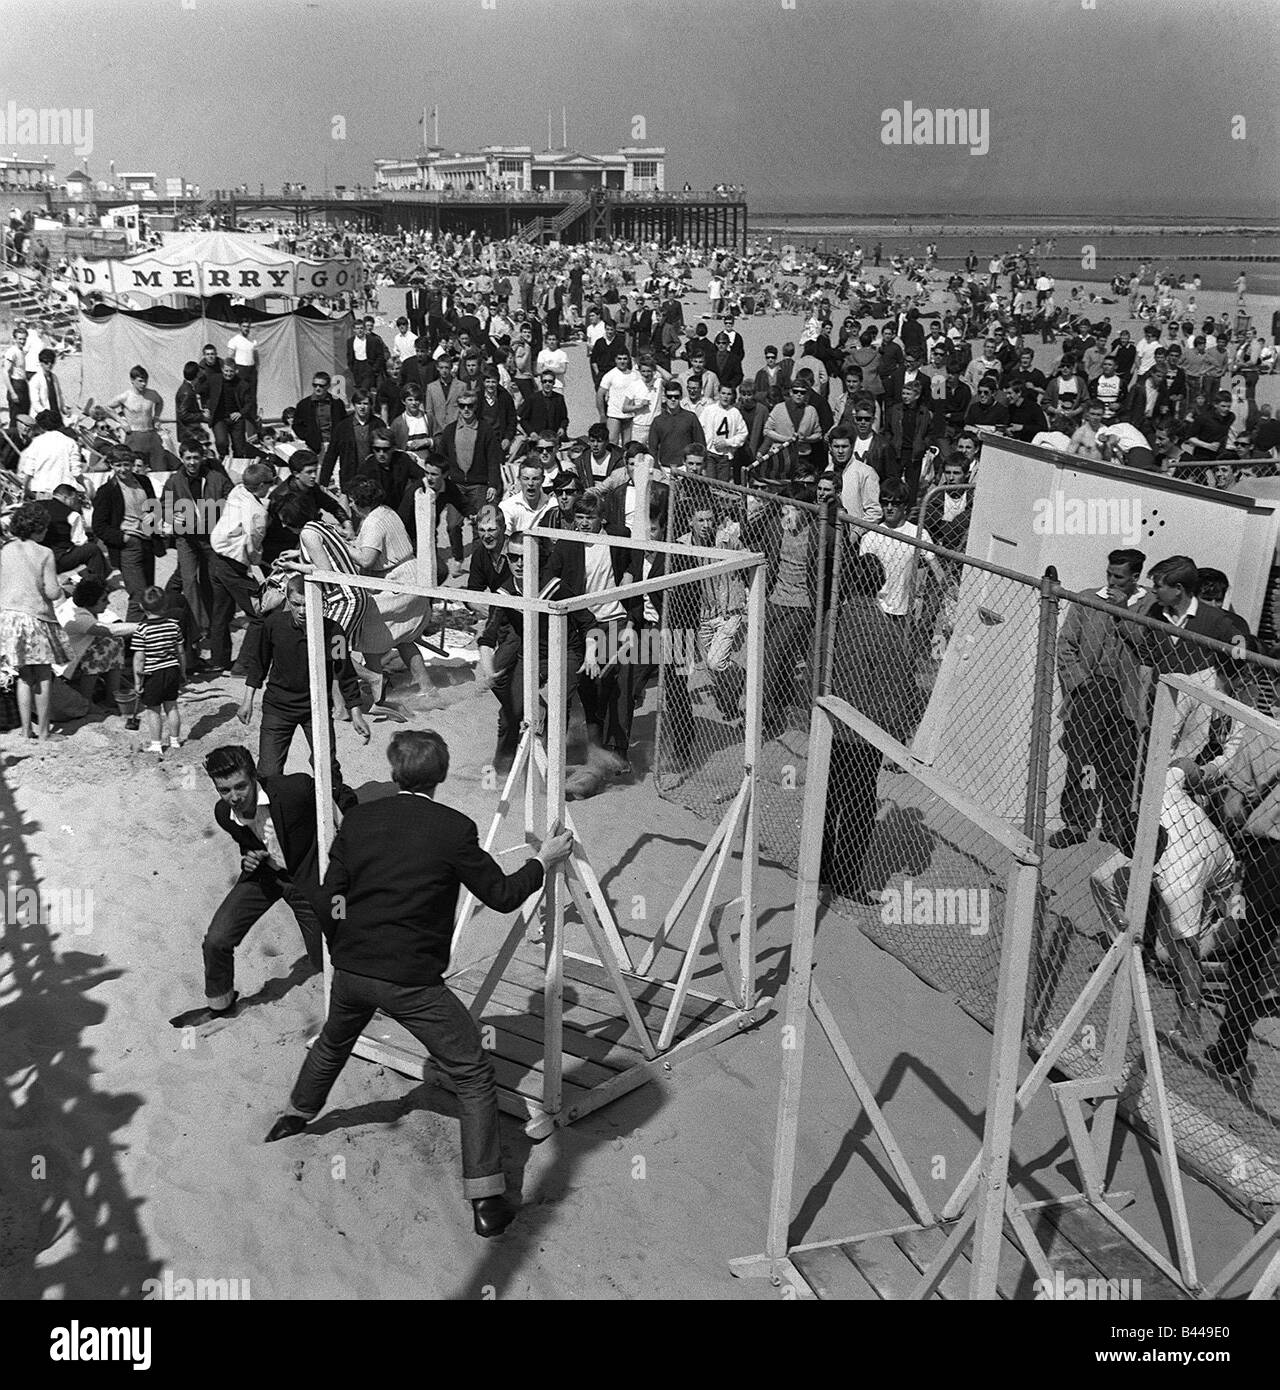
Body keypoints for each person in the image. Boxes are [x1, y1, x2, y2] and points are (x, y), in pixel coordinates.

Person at [262, 730, 574, 1238]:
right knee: (473, 1074)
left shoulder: (360, 818)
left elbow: (325, 897)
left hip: (353, 971)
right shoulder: (453, 828)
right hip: (411, 980)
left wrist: (346, 942)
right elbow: (499, 895)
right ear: (441, 775)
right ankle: (487, 1200)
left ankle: (295, 1116)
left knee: (335, 1041)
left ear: (393, 771)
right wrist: (543, 862)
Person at [176, 745, 329, 1025]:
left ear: (254, 777)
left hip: (304, 880)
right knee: (216, 940)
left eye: (240, 786)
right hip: (264, 877)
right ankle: (221, 1005)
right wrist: (249, 857)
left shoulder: (295, 789)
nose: (233, 797)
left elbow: (338, 796)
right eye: (224, 790)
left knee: (323, 958)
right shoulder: (224, 814)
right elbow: (250, 842)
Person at [820, 553, 915, 901]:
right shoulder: (885, 631)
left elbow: (815, 667)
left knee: (827, 800)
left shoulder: (833, 621)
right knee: (859, 808)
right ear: (879, 586)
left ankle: (819, 870)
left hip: (829, 726)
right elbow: (896, 689)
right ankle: (847, 880)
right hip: (863, 734)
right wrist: (895, 738)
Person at [238, 575, 370, 807]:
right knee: (268, 771)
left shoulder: (334, 632)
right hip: (278, 708)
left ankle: (338, 809)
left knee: (326, 765)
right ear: (288, 601)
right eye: (296, 604)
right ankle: (268, 816)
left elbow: (345, 672)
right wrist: (247, 700)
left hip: (316, 709)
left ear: (320, 603)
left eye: (308, 604)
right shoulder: (273, 625)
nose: (302, 610)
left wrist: (356, 712)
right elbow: (258, 664)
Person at [1050, 549, 1151, 849]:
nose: (1111, 581)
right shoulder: (1087, 599)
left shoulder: (1149, 607)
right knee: (1083, 761)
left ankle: (1115, 826)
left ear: (1135, 577)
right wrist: (1079, 682)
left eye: (1118, 577)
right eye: (1109, 574)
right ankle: (1077, 822)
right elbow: (1066, 643)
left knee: (1120, 763)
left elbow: (1147, 646)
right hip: (1090, 690)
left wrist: (1124, 615)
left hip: (1127, 697)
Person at [345, 477, 436, 703]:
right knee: (403, 635)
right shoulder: (386, 512)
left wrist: (343, 545)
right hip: (411, 577)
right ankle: (426, 685)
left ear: (357, 502)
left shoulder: (374, 522)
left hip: (401, 582)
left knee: (368, 629)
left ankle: (377, 684)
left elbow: (366, 560)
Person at [0, 501, 68, 740]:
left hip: (9, 618)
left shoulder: (6, 549)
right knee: (43, 675)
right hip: (34, 618)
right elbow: (51, 592)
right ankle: (44, 733)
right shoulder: (45, 553)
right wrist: (62, 589)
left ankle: (26, 730)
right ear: (39, 528)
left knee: (24, 676)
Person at [208, 460, 276, 672]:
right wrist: (259, 560)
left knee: (221, 612)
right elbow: (253, 548)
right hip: (232, 567)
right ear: (263, 485)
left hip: (216, 559)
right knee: (259, 613)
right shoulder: (258, 513)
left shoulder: (237, 491)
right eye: (270, 484)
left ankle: (218, 660)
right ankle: (243, 665)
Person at [91, 446, 162, 623]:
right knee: (138, 596)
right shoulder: (107, 491)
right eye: (118, 465)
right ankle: (131, 643)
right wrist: (124, 538)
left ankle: (146, 638)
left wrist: (153, 514)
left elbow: (154, 506)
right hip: (128, 547)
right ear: (111, 466)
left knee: (148, 593)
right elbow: (99, 526)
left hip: (146, 541)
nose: (123, 469)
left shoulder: (144, 482)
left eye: (126, 464)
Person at [133, 584, 186, 757]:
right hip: (171, 670)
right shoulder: (173, 626)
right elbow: (180, 652)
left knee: (153, 709)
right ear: (165, 606)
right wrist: (183, 672)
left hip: (152, 674)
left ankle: (156, 744)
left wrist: (137, 682)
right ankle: (175, 741)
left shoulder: (142, 630)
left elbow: (139, 659)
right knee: (172, 706)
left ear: (141, 606)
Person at [61, 575, 125, 709]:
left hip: (70, 661)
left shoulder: (77, 606)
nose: (108, 603)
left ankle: (111, 695)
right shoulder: (78, 617)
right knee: (105, 646)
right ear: (91, 601)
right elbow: (111, 630)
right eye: (103, 600)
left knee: (111, 642)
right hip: (61, 673)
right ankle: (88, 702)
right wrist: (145, 626)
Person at [107, 365, 166, 472]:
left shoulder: (152, 394)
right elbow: (108, 407)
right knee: (134, 468)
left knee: (159, 467)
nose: (143, 384)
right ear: (132, 380)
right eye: (140, 381)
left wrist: (157, 417)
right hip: (134, 435)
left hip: (150, 433)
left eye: (145, 381)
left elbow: (160, 402)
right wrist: (121, 422)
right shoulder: (126, 396)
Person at [18, 410, 82, 497]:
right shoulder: (70, 442)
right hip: (65, 492)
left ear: (41, 425)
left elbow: (29, 471)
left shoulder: (36, 443)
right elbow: (76, 472)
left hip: (41, 490)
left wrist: (25, 490)